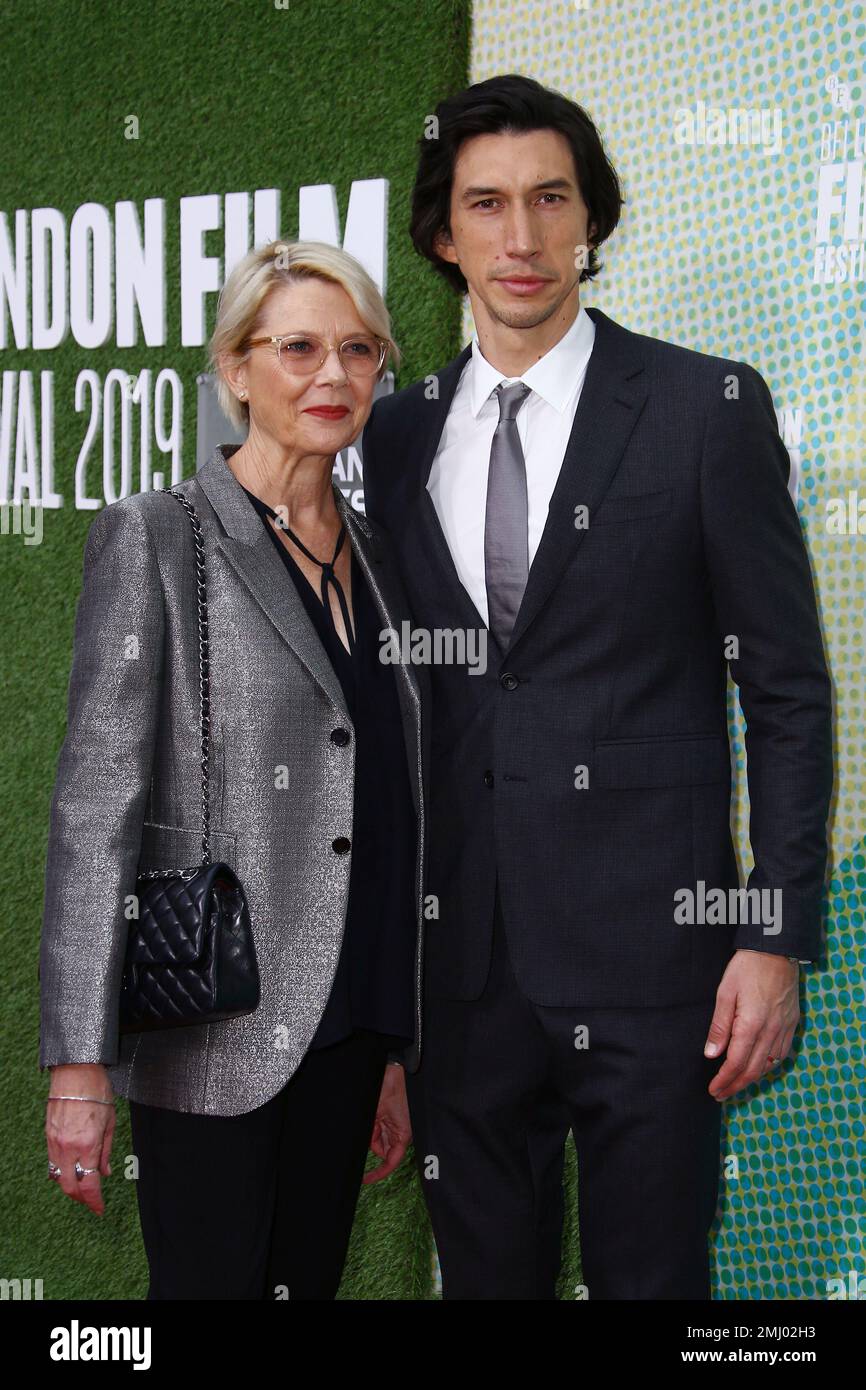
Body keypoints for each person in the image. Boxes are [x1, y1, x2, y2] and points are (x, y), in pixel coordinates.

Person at [361, 74, 833, 1299]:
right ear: (440, 234)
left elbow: (785, 688)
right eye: (485, 204)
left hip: (655, 963)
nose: (519, 239)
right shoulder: (391, 435)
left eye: (548, 199)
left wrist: (772, 934)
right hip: (457, 977)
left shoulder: (700, 408)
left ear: (590, 220)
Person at [39, 239, 430, 1300]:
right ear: (236, 368)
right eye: (298, 347)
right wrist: (79, 1065)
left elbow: (385, 804)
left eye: (359, 350)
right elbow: (95, 806)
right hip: (213, 1027)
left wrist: (392, 1045)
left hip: (349, 1031)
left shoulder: (386, 559)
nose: (333, 376)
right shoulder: (157, 537)